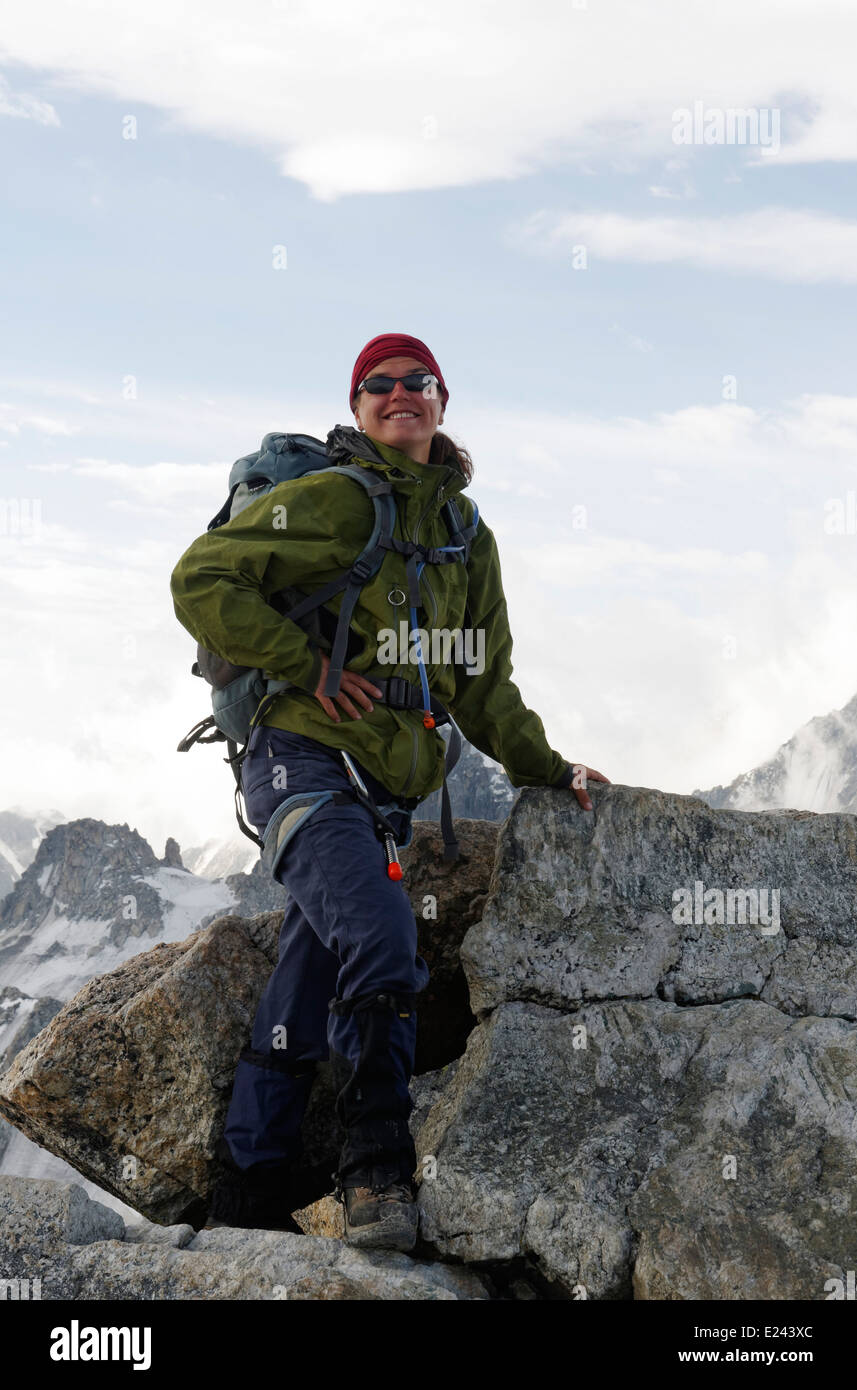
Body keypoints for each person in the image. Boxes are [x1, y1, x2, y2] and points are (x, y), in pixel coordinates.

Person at [169, 331, 609, 1251]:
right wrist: (305, 665)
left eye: (418, 382)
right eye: (379, 384)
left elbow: (482, 682)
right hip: (300, 757)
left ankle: (245, 1195)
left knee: (311, 972)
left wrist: (547, 767)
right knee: (379, 932)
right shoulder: (331, 499)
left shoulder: (463, 533)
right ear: (359, 405)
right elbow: (200, 578)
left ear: (443, 402)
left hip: (386, 785)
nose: (399, 393)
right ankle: (375, 1171)